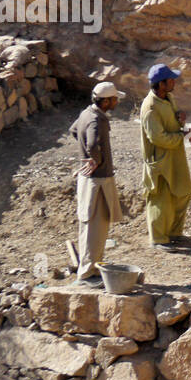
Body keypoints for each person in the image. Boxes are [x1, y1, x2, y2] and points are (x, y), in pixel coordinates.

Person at [70, 81, 125, 282]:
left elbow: (74, 130)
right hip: (98, 182)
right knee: (96, 229)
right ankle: (88, 272)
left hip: (89, 180)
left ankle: (89, 268)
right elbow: (92, 143)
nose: (117, 102)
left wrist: (86, 155)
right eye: (114, 99)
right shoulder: (96, 120)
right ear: (106, 101)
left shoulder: (86, 113)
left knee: (90, 227)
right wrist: (97, 159)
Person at [140, 64, 191, 249]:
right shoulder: (150, 108)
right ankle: (158, 238)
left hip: (175, 155)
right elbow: (158, 138)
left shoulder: (169, 98)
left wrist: (180, 117)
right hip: (160, 159)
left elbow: (174, 119)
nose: (174, 82)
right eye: (170, 80)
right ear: (161, 84)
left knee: (183, 190)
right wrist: (181, 137)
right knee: (160, 199)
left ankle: (174, 232)